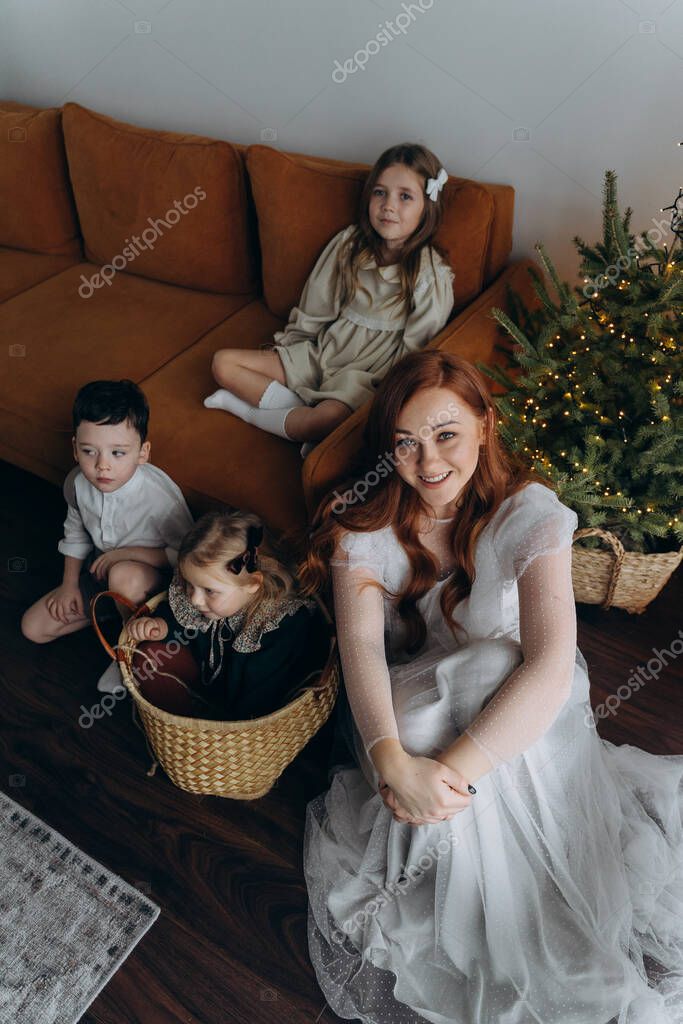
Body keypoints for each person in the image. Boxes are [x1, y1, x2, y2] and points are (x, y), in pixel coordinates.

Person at [298, 350, 683, 1024]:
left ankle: (521, 918)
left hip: (525, 699)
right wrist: (391, 760)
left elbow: (549, 662)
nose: (427, 463)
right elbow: (359, 645)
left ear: (484, 423)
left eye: (445, 434)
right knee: (416, 728)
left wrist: (446, 771)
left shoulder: (531, 515)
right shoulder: (364, 522)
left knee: (484, 673)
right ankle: (458, 907)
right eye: (406, 444)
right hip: (413, 707)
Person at [203, 142, 455, 457]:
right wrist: (291, 348)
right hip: (323, 353)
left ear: (427, 207)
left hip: (366, 375)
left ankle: (251, 413)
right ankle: (295, 412)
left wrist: (388, 397)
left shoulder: (430, 273)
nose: (389, 205)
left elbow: (418, 350)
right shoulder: (349, 244)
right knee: (223, 363)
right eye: (380, 193)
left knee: (329, 418)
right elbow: (316, 308)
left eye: (405, 196)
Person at [21, 380, 194, 695]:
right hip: (101, 574)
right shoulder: (77, 483)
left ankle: (130, 650)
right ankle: (110, 611)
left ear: (143, 453)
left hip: (152, 582)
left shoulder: (159, 498)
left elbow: (187, 555)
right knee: (33, 628)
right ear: (75, 448)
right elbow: (74, 532)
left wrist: (126, 553)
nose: (102, 465)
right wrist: (69, 585)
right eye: (89, 451)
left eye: (118, 453)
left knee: (123, 574)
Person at [124, 510, 330, 720]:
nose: (195, 599)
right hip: (209, 685)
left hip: (253, 710)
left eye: (209, 591)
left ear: (252, 584)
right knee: (149, 657)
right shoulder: (211, 601)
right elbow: (181, 621)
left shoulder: (278, 625)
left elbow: (263, 693)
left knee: (252, 710)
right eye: (189, 585)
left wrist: (232, 728)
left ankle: (210, 730)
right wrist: (160, 625)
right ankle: (183, 721)